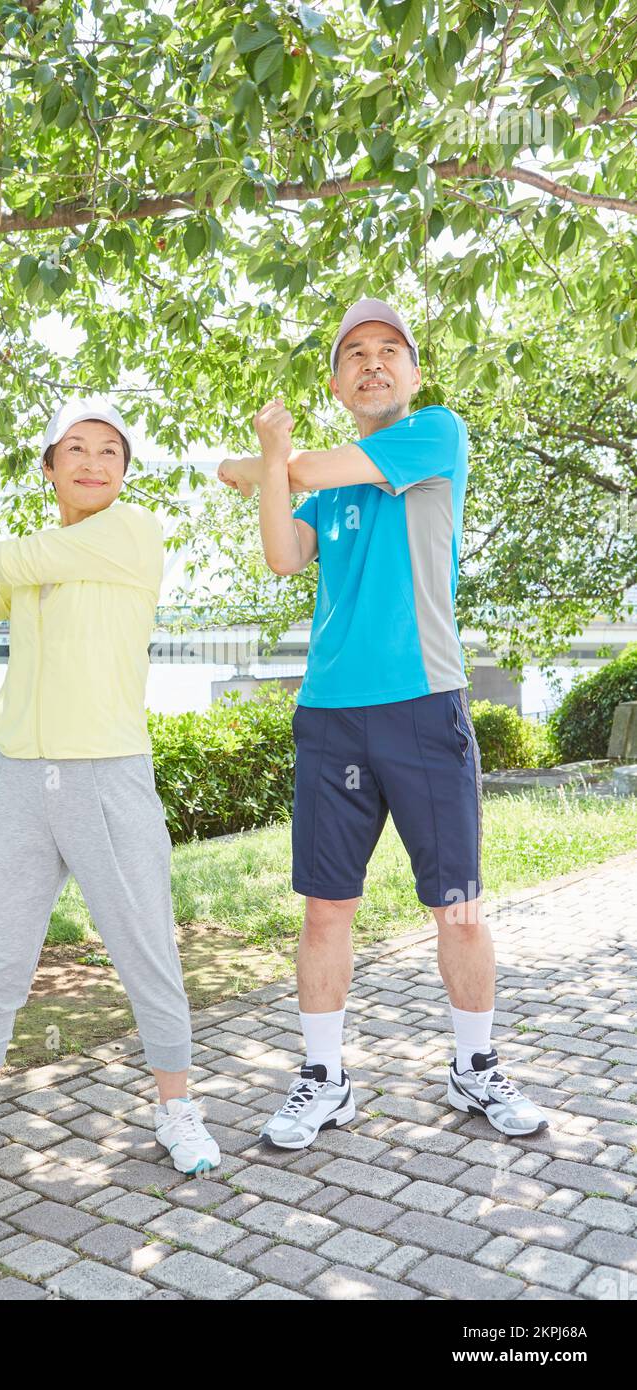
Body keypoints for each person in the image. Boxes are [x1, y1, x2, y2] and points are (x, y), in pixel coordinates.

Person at [217, 298, 550, 1149]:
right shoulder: (325, 478)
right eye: (354, 354)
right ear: (335, 382)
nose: (372, 363)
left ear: (412, 373)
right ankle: (323, 1079)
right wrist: (271, 467)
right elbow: (283, 555)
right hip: (330, 715)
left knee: (461, 908)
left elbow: (275, 471)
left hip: (424, 706)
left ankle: (474, 1067)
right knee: (327, 909)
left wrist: (272, 462)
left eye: (388, 351)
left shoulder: (433, 434)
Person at [0, 395, 220, 1197]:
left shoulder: (134, 534)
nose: (92, 463)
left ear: (125, 473)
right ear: (48, 466)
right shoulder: (37, 556)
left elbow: (5, 565)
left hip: (108, 775)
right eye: (74, 449)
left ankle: (177, 1107)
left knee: (146, 947)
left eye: (110, 452)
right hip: (19, 778)